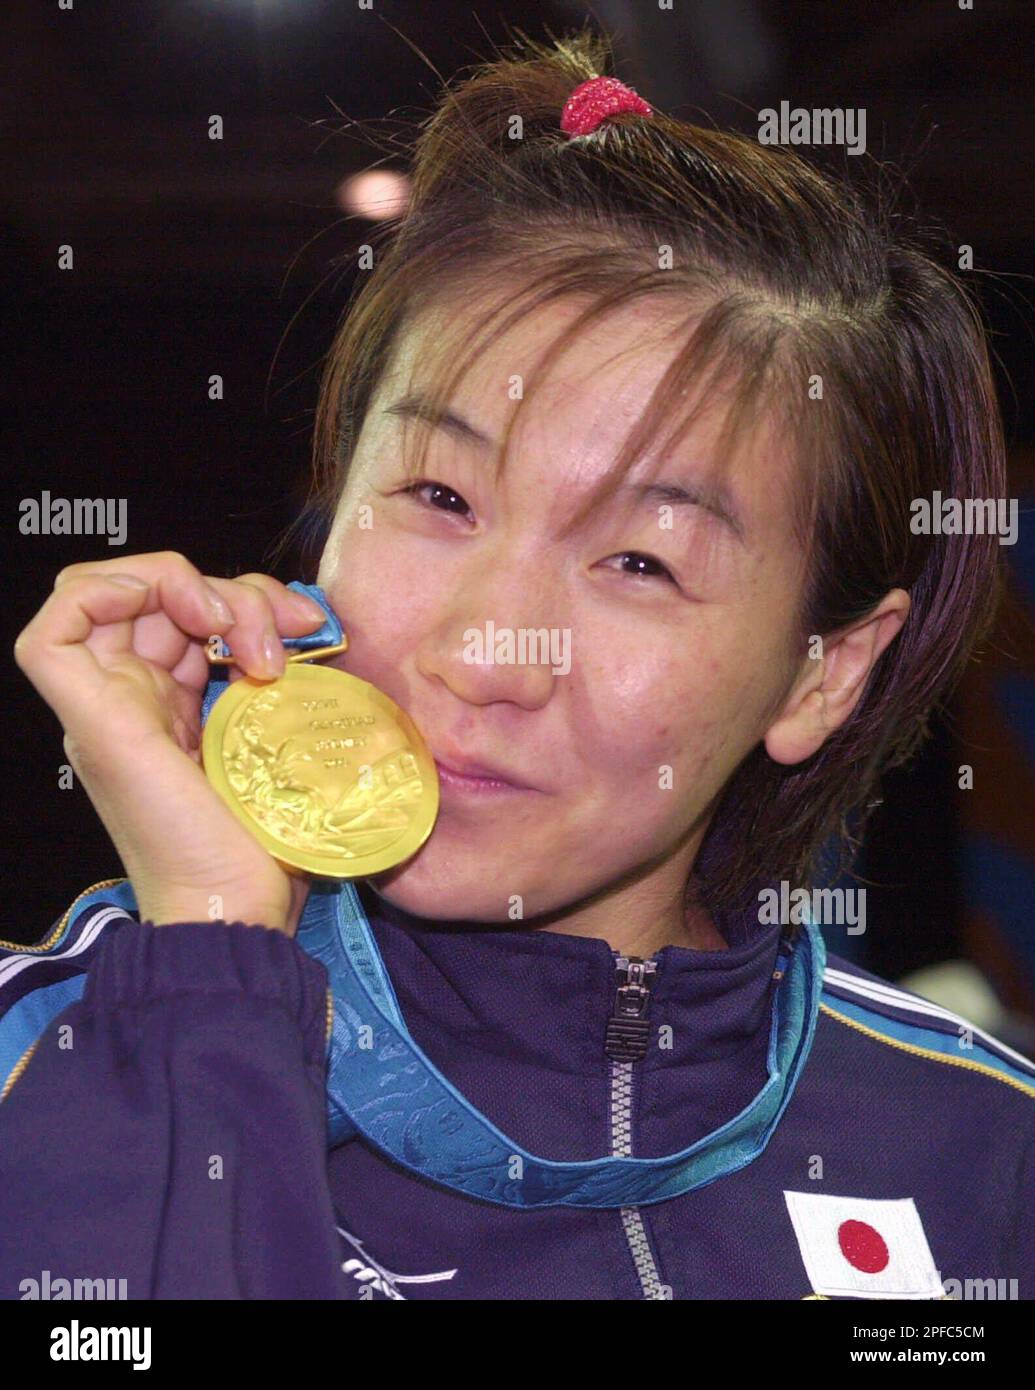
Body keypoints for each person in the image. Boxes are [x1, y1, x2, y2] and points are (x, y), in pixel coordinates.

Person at [1, 29, 1032, 1302]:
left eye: (641, 564)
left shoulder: (984, 1155)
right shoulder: (39, 1059)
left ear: (822, 672)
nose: (487, 650)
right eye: (438, 492)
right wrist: (215, 966)